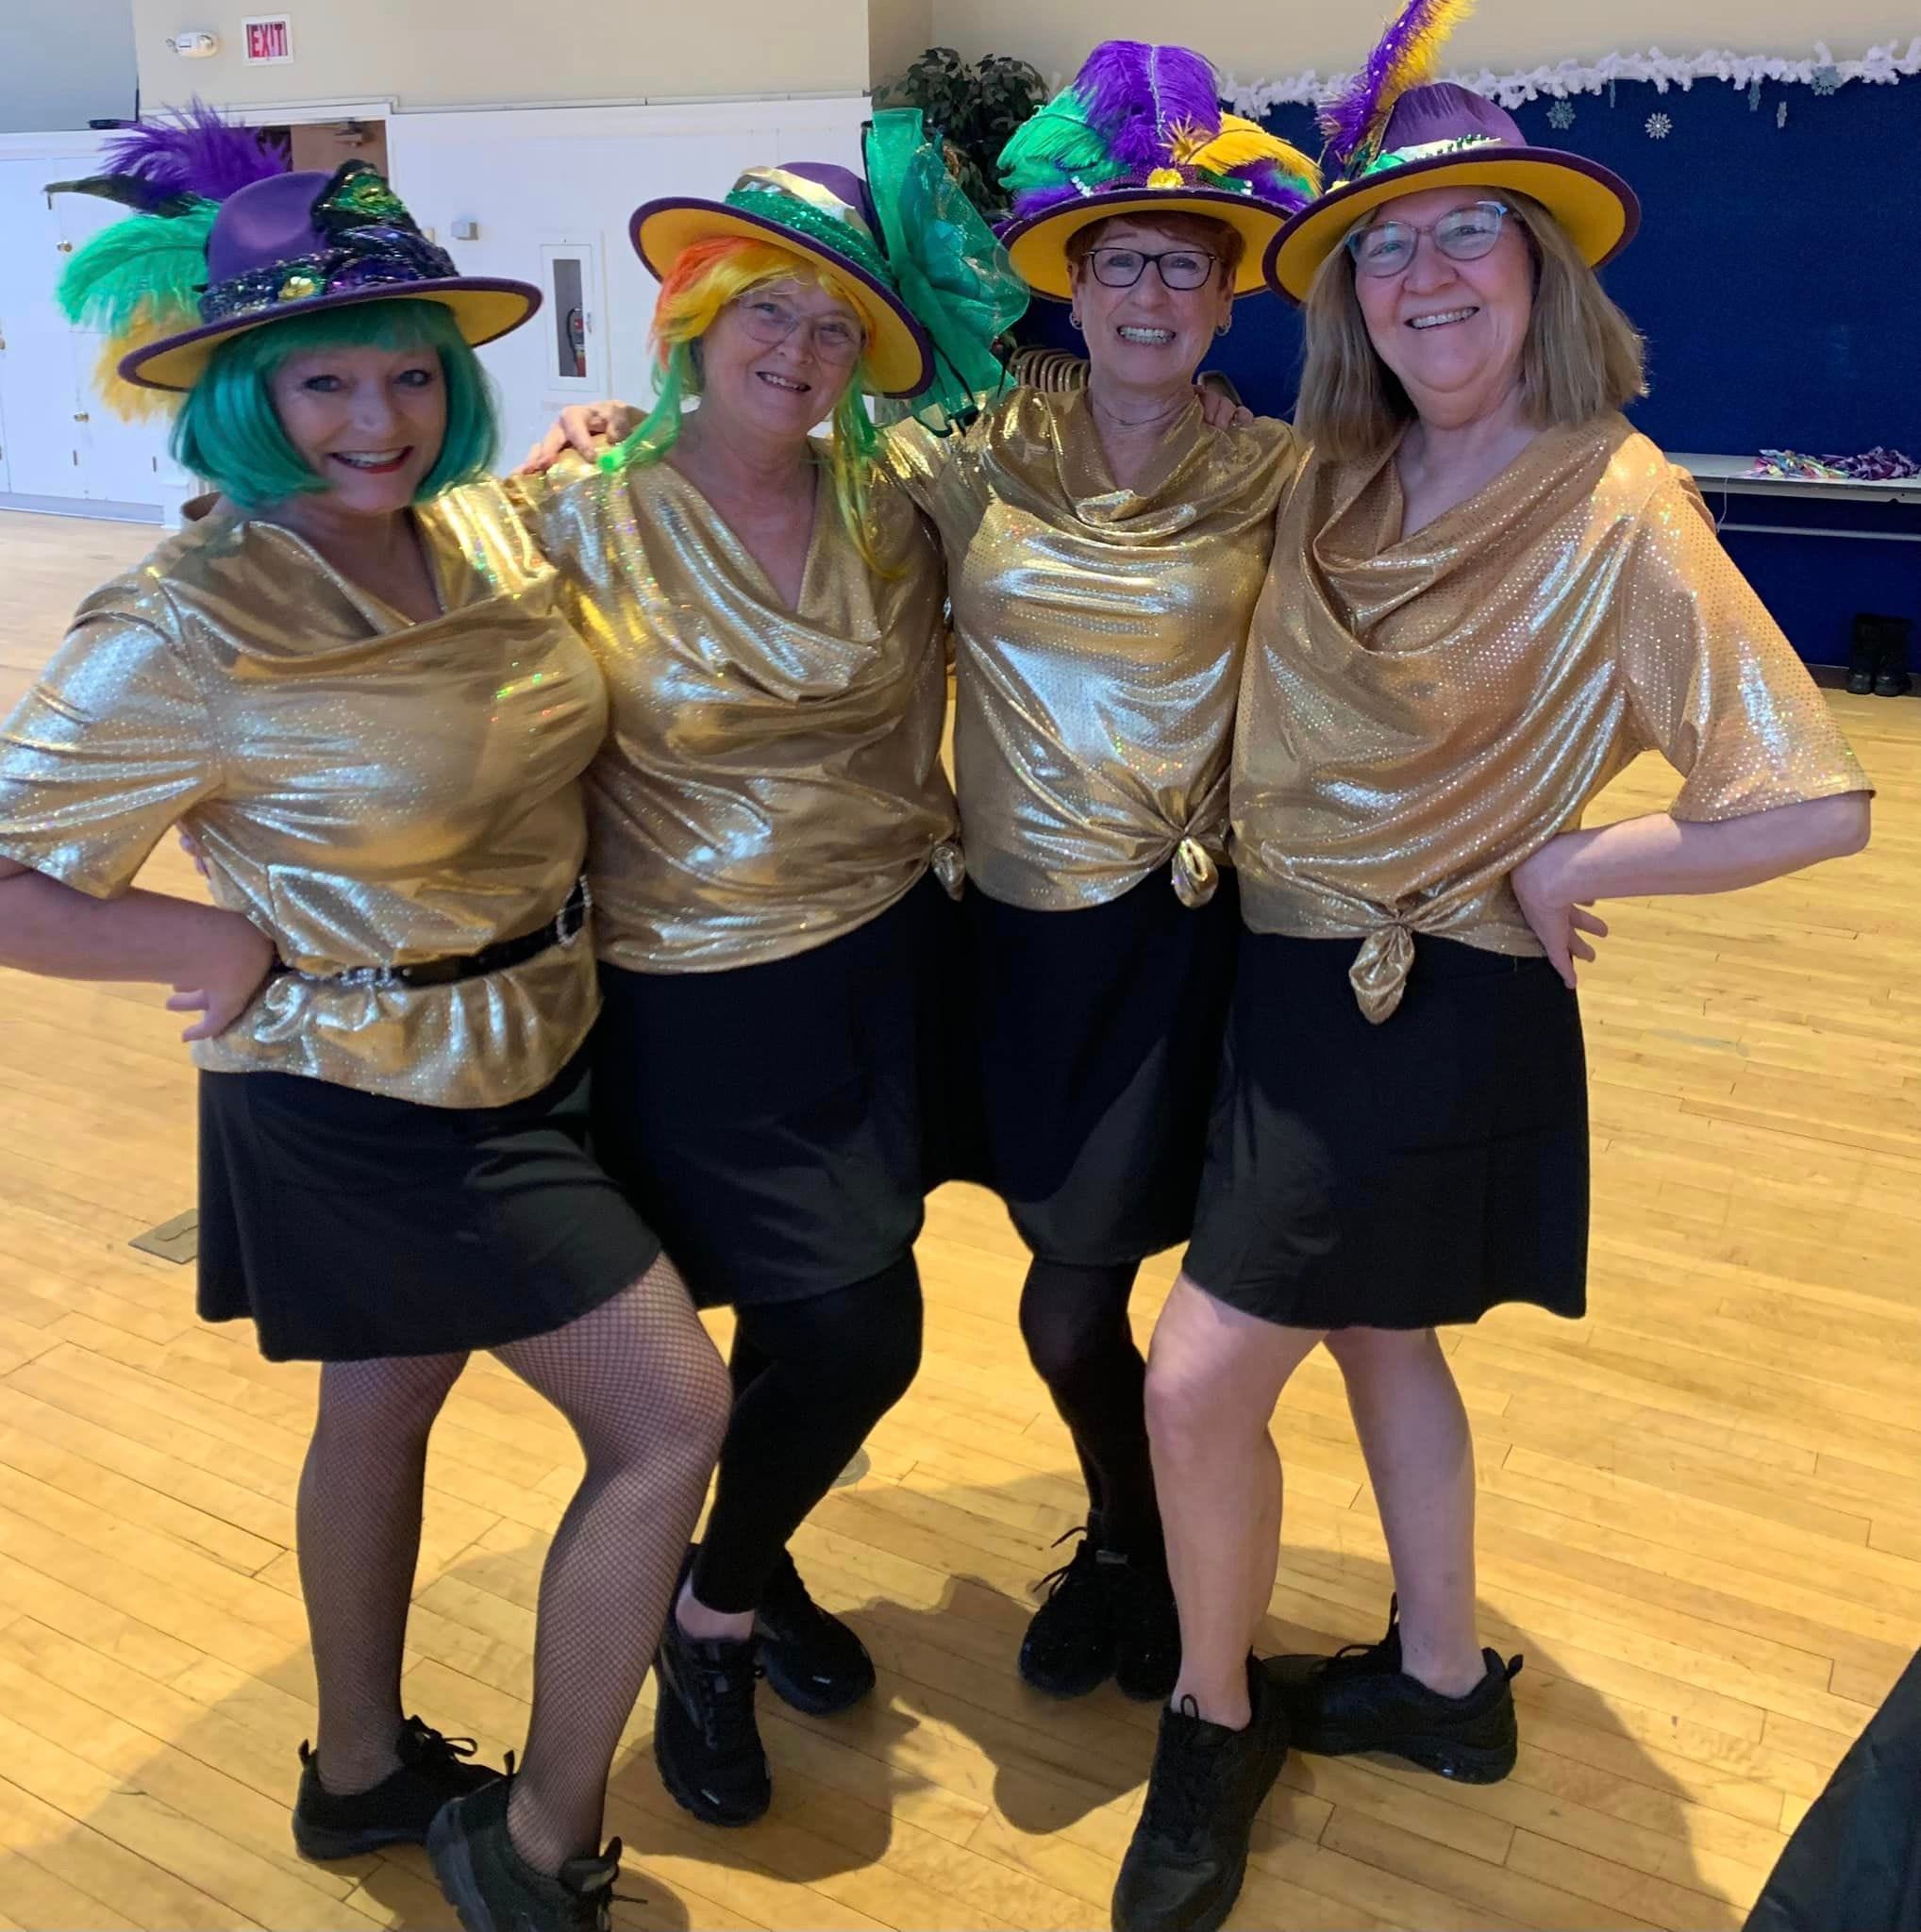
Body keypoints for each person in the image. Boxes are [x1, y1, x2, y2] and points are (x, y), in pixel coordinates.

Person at [1112, 12, 1875, 1929]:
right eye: (1384, 244)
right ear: (1350, 295)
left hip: (1418, 1003)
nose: (1421, 271)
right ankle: (1445, 1685)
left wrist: (1575, 853)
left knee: (1197, 1382)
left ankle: (1208, 1721)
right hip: (1280, 982)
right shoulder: (1338, 476)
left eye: (1464, 235)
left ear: (1537, 270)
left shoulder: (1617, 499)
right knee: (1381, 1330)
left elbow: (1809, 798)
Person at [0, 118, 730, 1932]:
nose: (375, 417)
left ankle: (355, 1776)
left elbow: (564, 532)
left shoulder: (474, 528)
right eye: (320, 380)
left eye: (410, 371)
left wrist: (588, 451)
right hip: (359, 1092)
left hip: (545, 1040)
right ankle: (544, 1848)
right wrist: (201, 941)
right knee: (667, 1419)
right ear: (245, 394)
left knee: (382, 1405)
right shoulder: (183, 622)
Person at [525, 43, 1318, 1712]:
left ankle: (1127, 1551)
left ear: (1231, 294)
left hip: (1177, 948)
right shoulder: (964, 457)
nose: (1152, 290)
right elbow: (747, 475)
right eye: (1119, 261)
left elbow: (1407, 648)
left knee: (1061, 1305)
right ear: (1072, 286)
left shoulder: (1286, 478)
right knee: (840, 1300)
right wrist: (607, 428)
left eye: (1187, 260)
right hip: (983, 954)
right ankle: (750, 1582)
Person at [509, 120, 1027, 1829]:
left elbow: (1101, 523)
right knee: (848, 1327)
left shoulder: (899, 505)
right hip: (685, 995)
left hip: (887, 964)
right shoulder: (576, 513)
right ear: (693, 318)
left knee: (814, 1320)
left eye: (834, 327)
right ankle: (712, 1612)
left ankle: (741, 1552)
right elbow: (381, 650)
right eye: (769, 313)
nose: (800, 351)